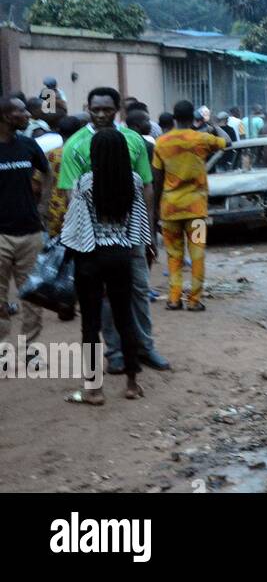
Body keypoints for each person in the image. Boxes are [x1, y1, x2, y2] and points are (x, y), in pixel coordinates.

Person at [57, 88, 169, 373]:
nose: (102, 114)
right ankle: (115, 352)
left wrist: (150, 233)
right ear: (88, 108)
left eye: (107, 109)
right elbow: (71, 195)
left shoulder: (133, 141)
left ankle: (145, 347)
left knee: (140, 290)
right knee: (105, 299)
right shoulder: (75, 145)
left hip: (131, 233)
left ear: (118, 109)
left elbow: (146, 187)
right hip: (93, 240)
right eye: (96, 109)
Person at [60, 128, 151, 404]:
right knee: (125, 319)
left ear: (95, 154)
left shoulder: (84, 183)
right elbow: (138, 222)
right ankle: (132, 384)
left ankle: (94, 389)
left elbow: (75, 225)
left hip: (90, 258)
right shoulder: (134, 181)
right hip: (121, 255)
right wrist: (138, 246)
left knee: (90, 324)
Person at [153, 101, 228, 311]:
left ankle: (174, 299)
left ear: (175, 117)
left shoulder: (161, 142)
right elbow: (227, 142)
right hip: (196, 210)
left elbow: (157, 179)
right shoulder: (201, 139)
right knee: (197, 254)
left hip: (170, 209)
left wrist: (155, 210)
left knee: (174, 255)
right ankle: (194, 300)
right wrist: (211, 124)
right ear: (193, 117)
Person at [0, 96, 52, 352]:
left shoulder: (29, 145)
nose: (27, 116)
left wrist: (44, 206)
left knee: (33, 297)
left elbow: (47, 172)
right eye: (21, 112)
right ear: (7, 116)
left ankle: (29, 350)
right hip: (1, 236)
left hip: (30, 233)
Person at [43, 115, 85, 240]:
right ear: (80, 131)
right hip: (79, 211)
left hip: (54, 210)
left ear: (58, 132)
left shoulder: (50, 155)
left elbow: (38, 183)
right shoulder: (83, 154)